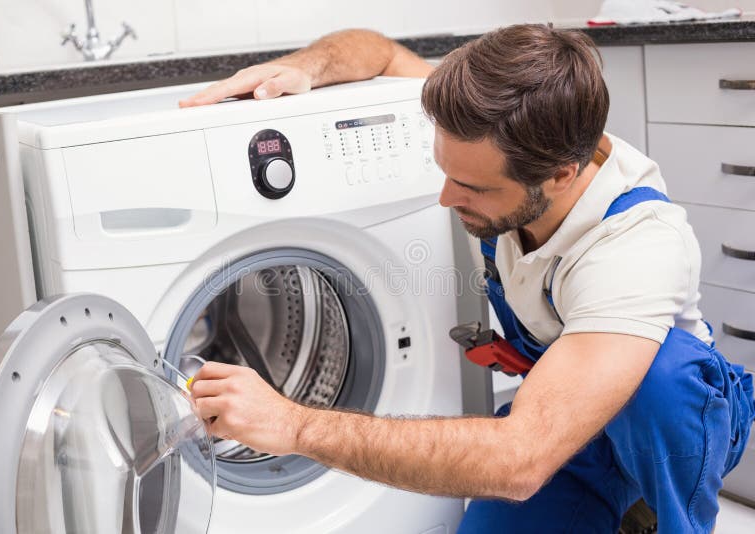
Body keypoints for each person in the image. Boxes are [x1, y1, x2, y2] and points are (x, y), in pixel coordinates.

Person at [180, 25, 754, 533]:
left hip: (667, 432)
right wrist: (307, 67)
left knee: (662, 378)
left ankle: (658, 512)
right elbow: (378, 51)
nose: (446, 197)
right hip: (565, 410)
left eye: (475, 189)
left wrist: (293, 424)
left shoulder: (636, 245)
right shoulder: (502, 125)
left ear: (559, 175)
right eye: (446, 171)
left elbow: (520, 460)